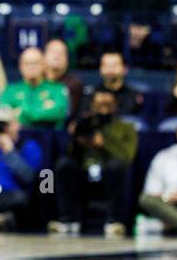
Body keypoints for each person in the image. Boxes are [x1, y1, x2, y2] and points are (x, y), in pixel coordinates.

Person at [48, 90, 137, 237]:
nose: (103, 109)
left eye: (107, 105)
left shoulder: (125, 127)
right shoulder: (85, 123)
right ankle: (68, 219)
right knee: (63, 165)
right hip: (84, 171)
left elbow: (128, 156)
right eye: (99, 105)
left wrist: (105, 144)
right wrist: (76, 139)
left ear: (115, 106)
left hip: (109, 173)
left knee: (117, 166)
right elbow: (69, 152)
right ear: (91, 105)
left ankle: (113, 221)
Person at [0, 46, 68, 128]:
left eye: (35, 63)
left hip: (48, 137)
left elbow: (58, 113)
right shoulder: (10, 90)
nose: (31, 67)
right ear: (20, 66)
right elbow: (3, 116)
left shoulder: (57, 89)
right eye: (27, 63)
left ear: (43, 65)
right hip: (18, 137)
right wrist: (43, 110)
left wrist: (21, 112)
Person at [91, 51, 145, 117]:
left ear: (125, 69)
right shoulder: (91, 93)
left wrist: (112, 106)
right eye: (105, 65)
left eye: (114, 65)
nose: (110, 69)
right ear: (100, 69)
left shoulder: (134, 96)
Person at [43, 38, 84, 121]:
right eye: (53, 52)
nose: (57, 56)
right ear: (43, 56)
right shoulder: (36, 81)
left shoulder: (75, 84)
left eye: (61, 53)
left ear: (67, 60)